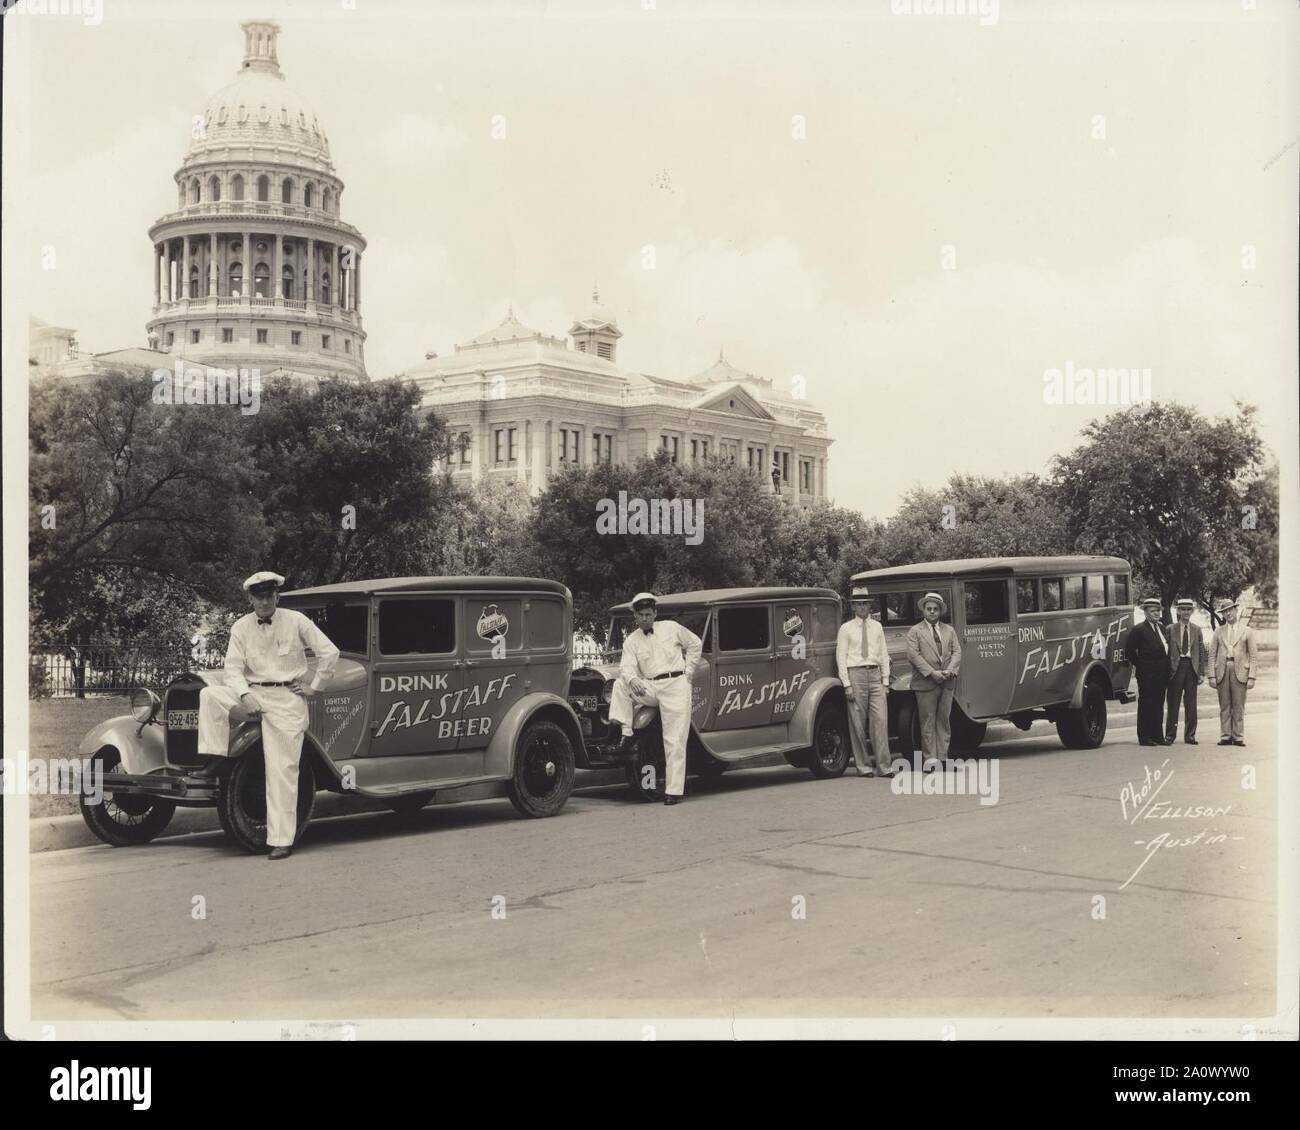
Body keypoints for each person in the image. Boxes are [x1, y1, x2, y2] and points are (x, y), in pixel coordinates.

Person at [197, 571, 340, 858]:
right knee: (209, 695)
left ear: (277, 596)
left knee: (281, 771)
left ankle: (281, 841)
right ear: (250, 599)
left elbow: (329, 652)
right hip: (252, 695)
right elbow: (232, 670)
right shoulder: (241, 627)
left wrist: (314, 687)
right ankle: (217, 758)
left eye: (269, 596)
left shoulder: (296, 621)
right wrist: (245, 695)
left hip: (286, 700)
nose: (264, 602)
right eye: (258, 597)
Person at [608, 592, 702, 805]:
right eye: (640, 615)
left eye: (648, 614)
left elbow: (695, 644)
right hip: (650, 686)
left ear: (655, 613)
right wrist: (633, 679)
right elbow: (626, 666)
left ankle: (673, 791)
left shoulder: (671, 628)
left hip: (675, 686)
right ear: (635, 616)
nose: (644, 618)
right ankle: (626, 733)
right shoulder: (632, 641)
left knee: (674, 739)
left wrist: (689, 671)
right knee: (620, 684)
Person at [836, 585, 893, 778]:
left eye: (865, 604)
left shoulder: (877, 627)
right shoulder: (846, 629)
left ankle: (884, 767)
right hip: (856, 675)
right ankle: (864, 766)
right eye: (858, 604)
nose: (862, 607)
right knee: (857, 724)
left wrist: (885, 681)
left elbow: (884, 654)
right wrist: (847, 684)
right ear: (853, 607)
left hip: (875, 674)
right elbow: (841, 658)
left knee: (881, 721)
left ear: (870, 606)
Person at [905, 591, 961, 770]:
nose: (932, 611)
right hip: (926, 683)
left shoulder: (949, 630)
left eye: (935, 609)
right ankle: (930, 761)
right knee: (927, 721)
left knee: (944, 720)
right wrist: (931, 673)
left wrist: (950, 670)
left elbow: (957, 652)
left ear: (940, 611)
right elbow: (913, 655)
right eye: (928, 608)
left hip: (947, 681)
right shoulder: (915, 631)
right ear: (923, 610)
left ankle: (943, 758)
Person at [1208, 598, 1258, 747]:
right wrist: (1211, 675)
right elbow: (1212, 655)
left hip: (1240, 672)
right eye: (1224, 612)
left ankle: (1238, 737)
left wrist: (1252, 677)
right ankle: (1225, 736)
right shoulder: (1218, 631)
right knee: (1224, 705)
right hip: (1222, 670)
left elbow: (1253, 656)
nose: (1228, 613)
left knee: (1238, 706)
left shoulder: (1247, 631)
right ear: (1222, 614)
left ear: (1236, 610)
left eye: (1230, 610)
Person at [1124, 597, 1170, 747]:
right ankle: (1145, 737)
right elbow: (1129, 651)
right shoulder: (1139, 629)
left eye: (1158, 610)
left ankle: (1158, 736)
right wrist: (1142, 665)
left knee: (1158, 704)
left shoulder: (1161, 627)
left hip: (1162, 673)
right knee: (1146, 705)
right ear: (1145, 612)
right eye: (1153, 611)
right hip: (1147, 674)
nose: (1156, 613)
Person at [1165, 597, 1207, 744]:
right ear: (1178, 611)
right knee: (1173, 703)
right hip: (1176, 668)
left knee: (1191, 704)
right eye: (1183, 609)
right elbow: (1166, 652)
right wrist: (1167, 671)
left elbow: (1201, 652)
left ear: (1192, 611)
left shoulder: (1197, 629)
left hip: (1191, 668)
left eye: (1189, 609)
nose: (1186, 612)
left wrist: (1201, 673)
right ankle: (1170, 735)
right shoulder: (1170, 629)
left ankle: (1190, 736)